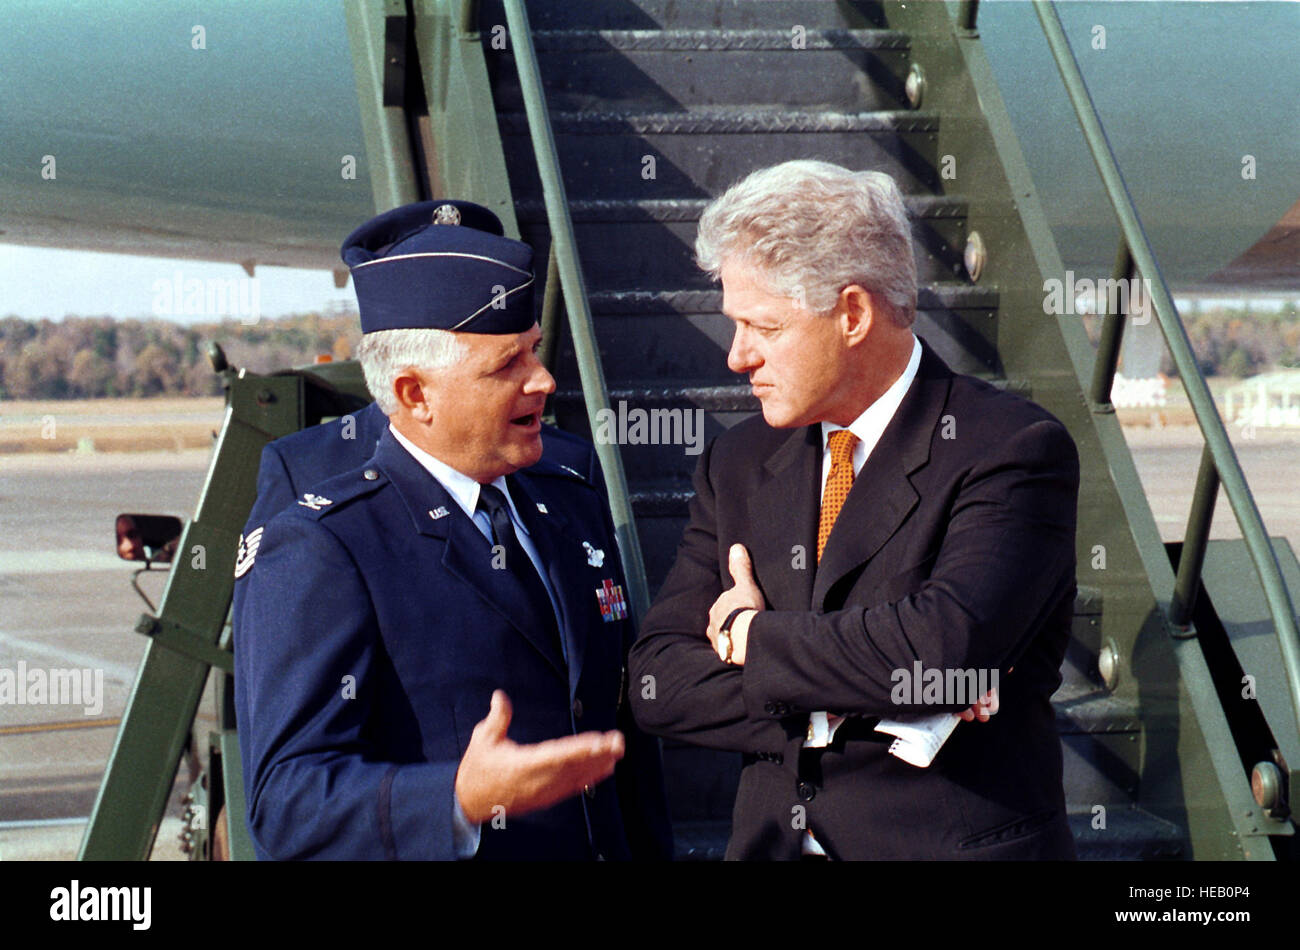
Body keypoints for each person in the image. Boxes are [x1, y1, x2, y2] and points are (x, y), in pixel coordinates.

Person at [628, 161, 1079, 860]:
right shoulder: (738, 464)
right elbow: (659, 682)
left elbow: (941, 647)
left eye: (763, 326)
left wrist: (752, 637)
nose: (737, 357)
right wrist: (866, 694)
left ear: (853, 314)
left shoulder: (1012, 449)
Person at [234, 199, 672, 860]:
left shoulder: (566, 493)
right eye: (507, 367)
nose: (544, 380)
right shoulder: (326, 545)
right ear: (414, 395)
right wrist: (458, 801)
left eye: (533, 352)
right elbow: (287, 803)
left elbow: (617, 738)